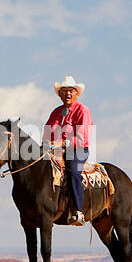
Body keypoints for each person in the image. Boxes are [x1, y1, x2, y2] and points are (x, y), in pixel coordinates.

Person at [45, 75, 92, 222]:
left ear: (77, 93)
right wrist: (47, 145)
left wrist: (61, 144)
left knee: (73, 171)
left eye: (71, 91)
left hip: (78, 149)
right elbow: (47, 132)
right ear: (60, 94)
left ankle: (78, 211)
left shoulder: (82, 111)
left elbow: (81, 138)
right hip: (56, 151)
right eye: (64, 91)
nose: (68, 94)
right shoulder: (56, 112)